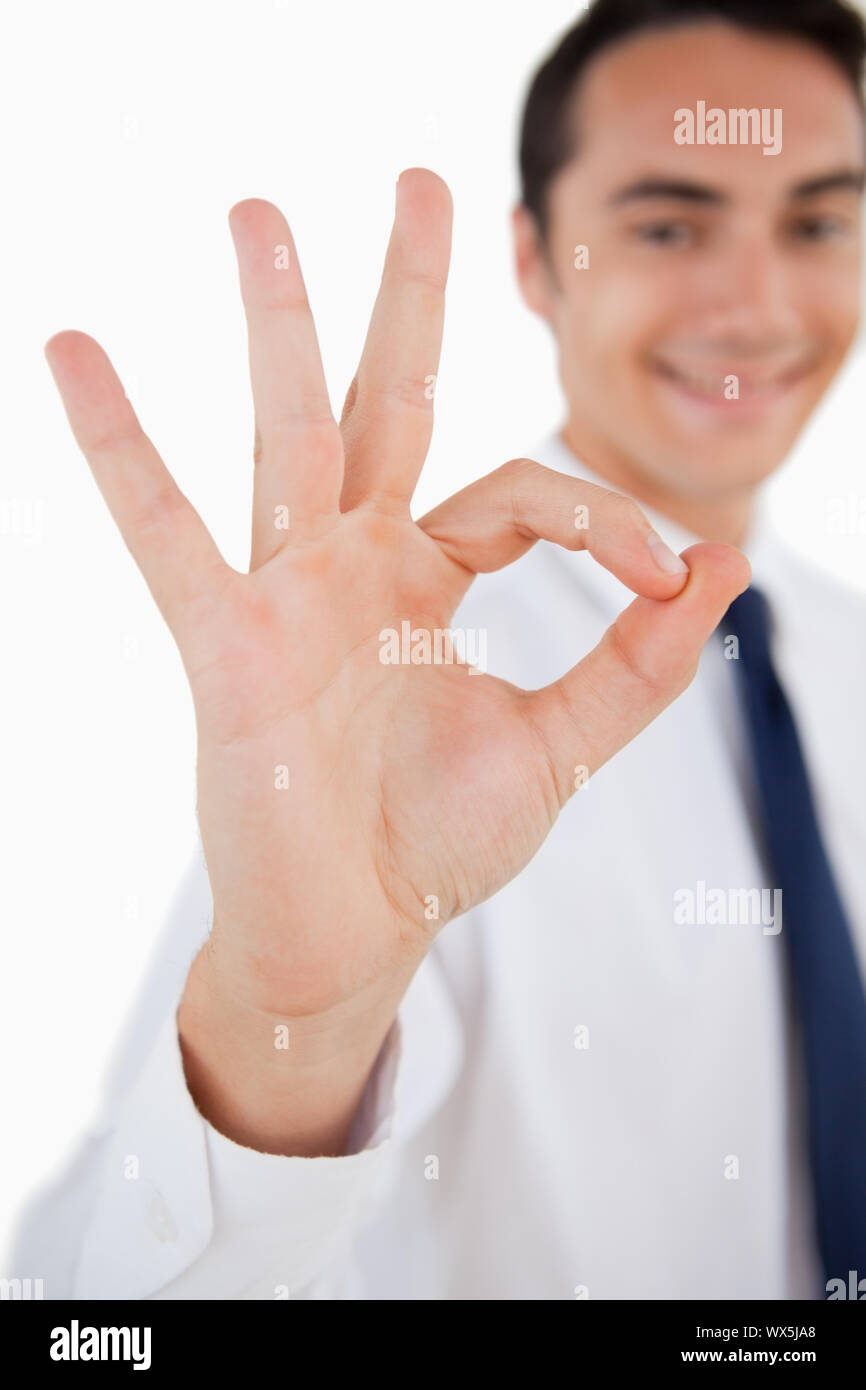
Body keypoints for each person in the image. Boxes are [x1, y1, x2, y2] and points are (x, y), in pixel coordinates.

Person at [11, 0, 866, 1300]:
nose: (752, 301)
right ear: (534, 261)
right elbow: (86, 1323)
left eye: (815, 221)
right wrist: (288, 1034)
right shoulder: (408, 691)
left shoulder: (848, 659)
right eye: (666, 223)